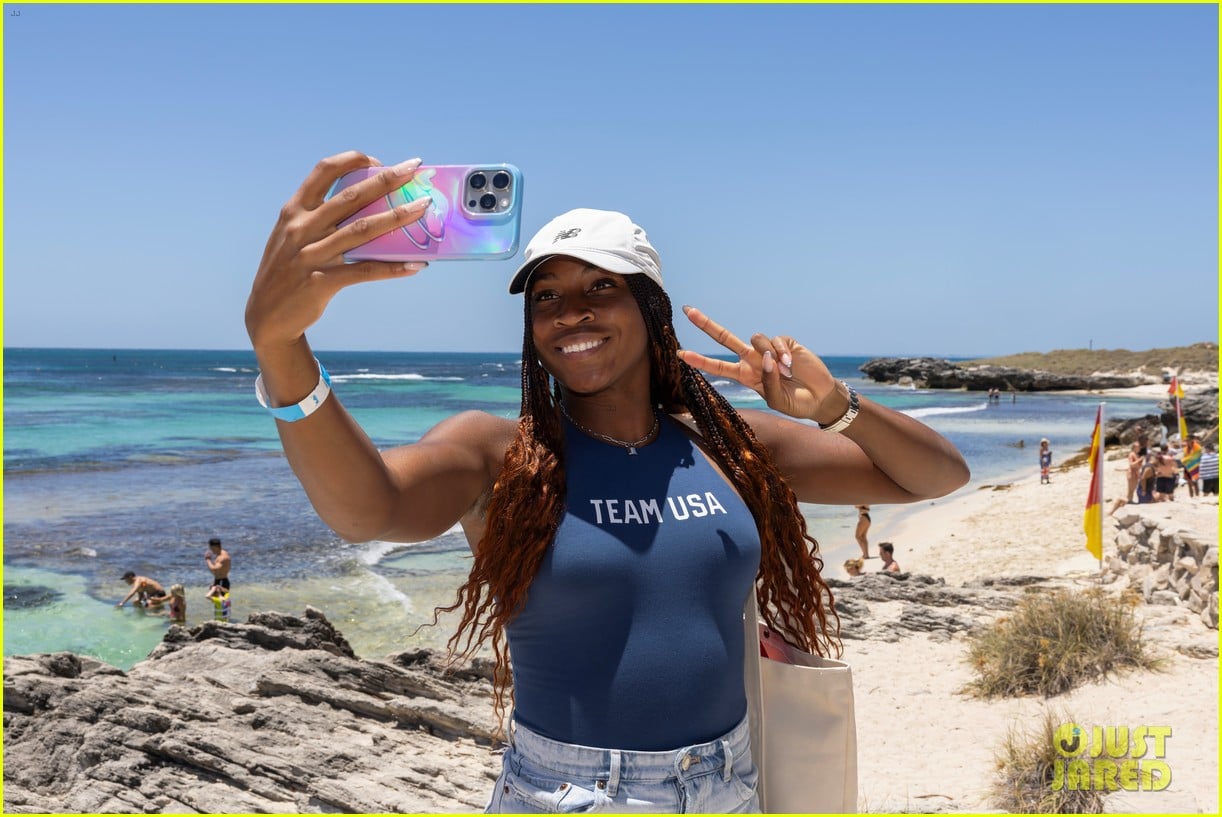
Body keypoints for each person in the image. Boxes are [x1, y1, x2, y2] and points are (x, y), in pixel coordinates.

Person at [244, 152, 970, 813]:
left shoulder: (723, 442)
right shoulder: (504, 454)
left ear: (650, 308)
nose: (572, 313)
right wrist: (281, 346)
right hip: (569, 793)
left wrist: (837, 408)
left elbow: (936, 474)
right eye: (546, 296)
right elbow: (367, 506)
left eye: (601, 286)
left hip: (731, 783)